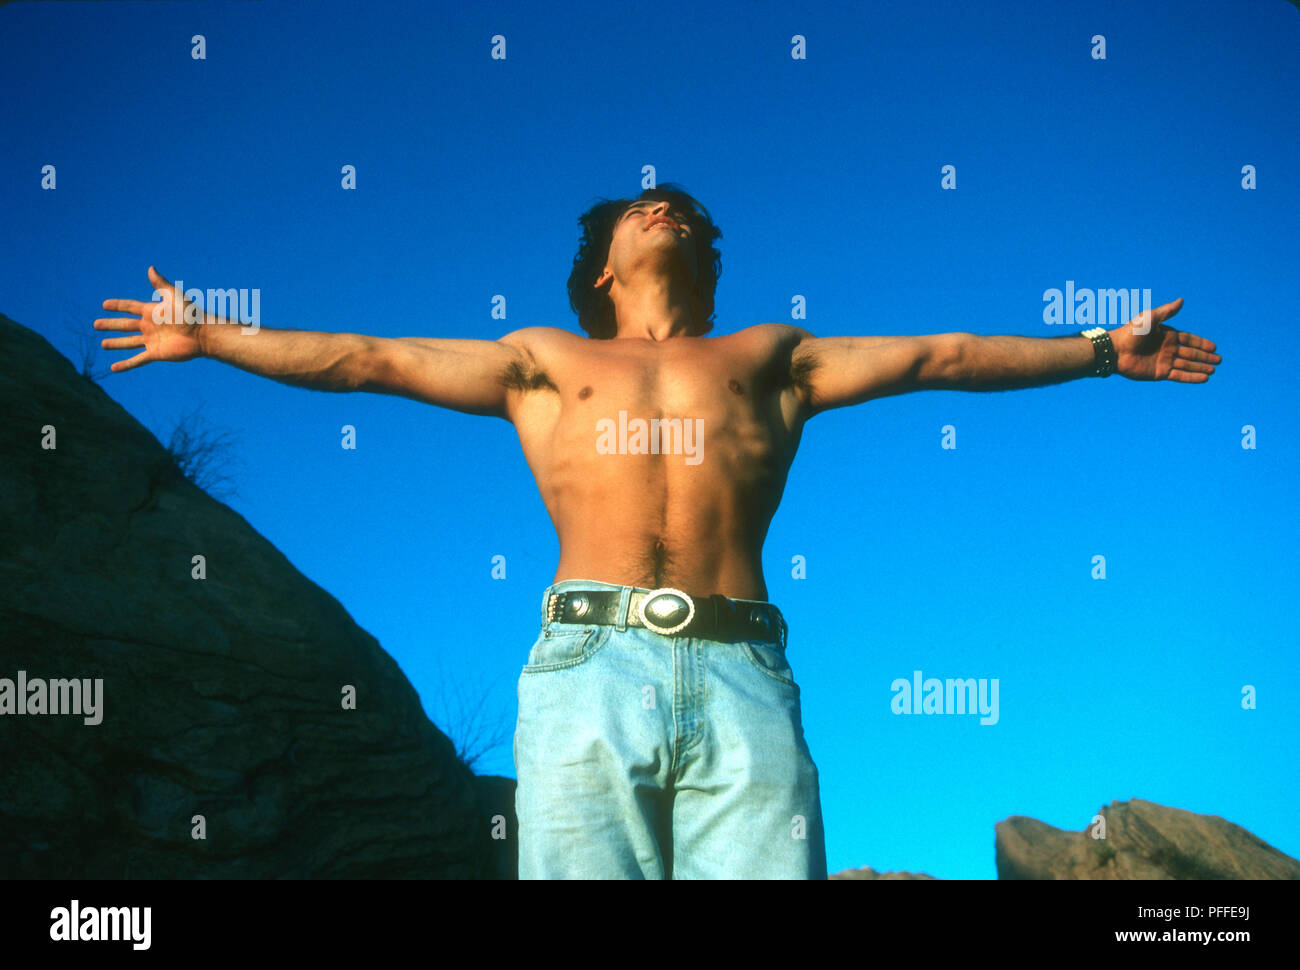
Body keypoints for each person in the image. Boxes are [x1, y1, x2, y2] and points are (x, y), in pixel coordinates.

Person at [94, 183, 1221, 879]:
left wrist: (1095, 352)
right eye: (640, 207)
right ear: (603, 267)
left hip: (743, 668)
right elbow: (368, 358)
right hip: (586, 663)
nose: (663, 207)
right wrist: (213, 335)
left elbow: (942, 355)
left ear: (711, 261)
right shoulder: (545, 356)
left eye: (680, 207)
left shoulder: (773, 356)